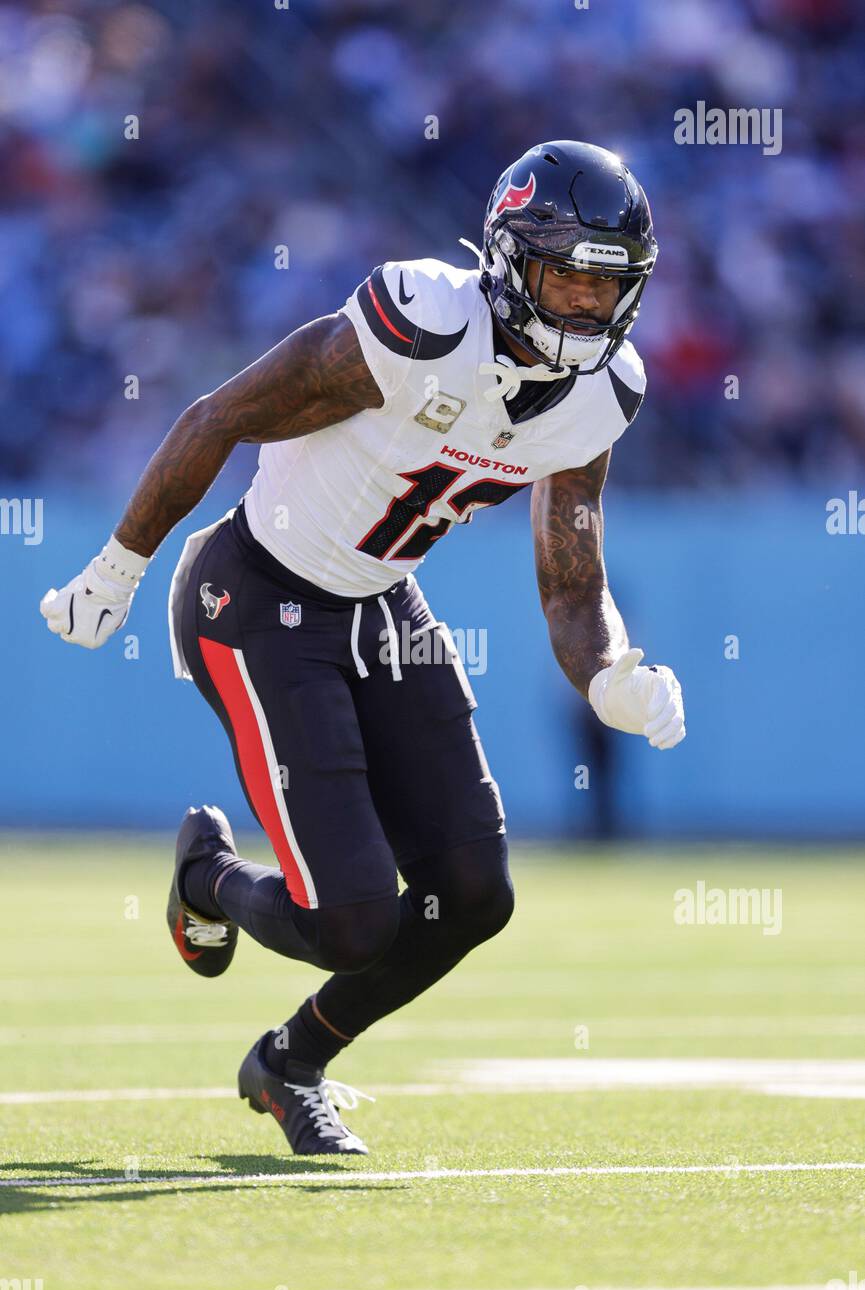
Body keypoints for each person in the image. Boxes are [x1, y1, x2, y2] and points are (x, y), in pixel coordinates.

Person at [40, 140, 685, 1155]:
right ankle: (208, 875)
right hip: (254, 595)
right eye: (566, 274)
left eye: (609, 286)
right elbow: (222, 414)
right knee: (352, 921)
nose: (586, 305)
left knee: (474, 892)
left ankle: (289, 1063)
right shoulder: (422, 322)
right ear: (512, 260)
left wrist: (608, 669)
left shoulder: (602, 395)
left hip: (384, 609)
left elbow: (572, 581)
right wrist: (119, 563)